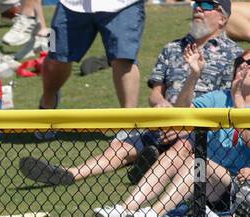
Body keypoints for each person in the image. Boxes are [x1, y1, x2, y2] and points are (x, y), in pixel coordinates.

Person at [21, 0, 242, 188]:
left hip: (200, 130)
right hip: (164, 122)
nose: (198, 9)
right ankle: (68, 173)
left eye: (206, 5)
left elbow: (228, 102)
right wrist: (161, 104)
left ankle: (150, 163)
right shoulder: (173, 48)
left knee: (182, 146)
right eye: (196, 4)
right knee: (120, 147)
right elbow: (155, 93)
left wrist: (188, 123)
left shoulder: (235, 56)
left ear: (222, 18)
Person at [93, 54, 250, 217]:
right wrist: (193, 75)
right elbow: (182, 114)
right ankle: (125, 209)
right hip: (204, 181)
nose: (243, 66)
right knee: (182, 146)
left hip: (239, 188)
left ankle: (156, 213)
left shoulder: (236, 100)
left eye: (249, 63)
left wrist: (238, 102)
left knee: (196, 162)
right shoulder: (218, 97)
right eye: (239, 62)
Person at [38, 0, 146, 111]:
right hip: (70, 4)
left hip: (125, 5)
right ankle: (47, 102)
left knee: (124, 57)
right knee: (55, 57)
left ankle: (129, 121)